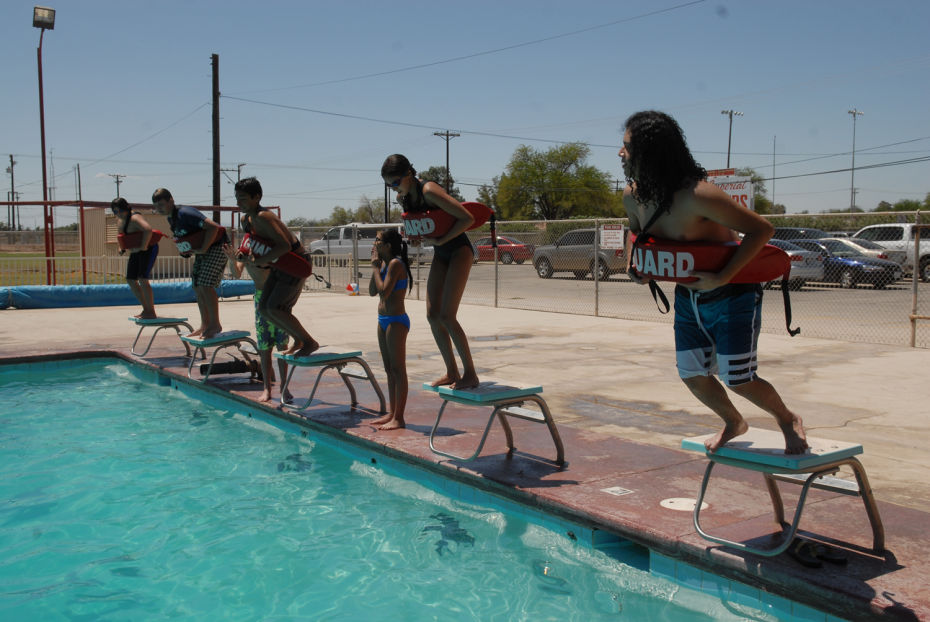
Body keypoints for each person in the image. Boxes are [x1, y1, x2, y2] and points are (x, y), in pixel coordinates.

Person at [619, 110, 808, 455]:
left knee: (738, 378)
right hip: (687, 298)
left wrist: (722, 276)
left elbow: (762, 230)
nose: (621, 154)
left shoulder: (699, 195)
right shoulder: (632, 197)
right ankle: (734, 422)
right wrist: (636, 264)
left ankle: (786, 418)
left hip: (732, 294)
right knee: (691, 373)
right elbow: (634, 233)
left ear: (651, 152)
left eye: (627, 147)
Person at [381, 154, 479, 390]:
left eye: (395, 183)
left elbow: (467, 218)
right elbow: (427, 226)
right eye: (388, 185)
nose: (394, 189)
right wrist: (419, 239)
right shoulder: (406, 197)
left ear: (408, 175)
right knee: (432, 315)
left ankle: (471, 374)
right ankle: (452, 372)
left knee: (447, 315)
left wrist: (442, 238)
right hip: (441, 252)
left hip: (459, 251)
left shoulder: (429, 191)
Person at [233, 177, 319, 358]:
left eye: (243, 198)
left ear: (257, 197)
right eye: (236, 198)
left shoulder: (264, 216)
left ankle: (309, 342)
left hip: (295, 263)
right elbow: (257, 243)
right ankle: (299, 339)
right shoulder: (246, 219)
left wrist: (260, 260)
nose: (238, 202)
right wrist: (251, 257)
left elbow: (284, 246)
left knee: (274, 307)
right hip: (279, 265)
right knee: (264, 309)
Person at [224, 217, 294, 405]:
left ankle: (284, 387)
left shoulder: (271, 243)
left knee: (282, 344)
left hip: (277, 295)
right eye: (245, 223)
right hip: (261, 296)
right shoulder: (246, 245)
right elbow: (237, 273)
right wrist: (232, 260)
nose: (247, 226)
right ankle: (266, 387)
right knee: (264, 345)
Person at [152, 188, 227, 338]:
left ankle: (215, 324)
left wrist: (203, 248)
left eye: (161, 204)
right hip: (202, 250)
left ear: (171, 201)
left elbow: (214, 227)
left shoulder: (185, 213)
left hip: (218, 246)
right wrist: (185, 250)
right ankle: (205, 324)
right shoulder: (171, 219)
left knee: (206, 285)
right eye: (156, 206)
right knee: (197, 286)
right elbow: (186, 237)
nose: (158, 209)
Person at [368, 228, 412, 430]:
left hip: (396, 320)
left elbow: (385, 292)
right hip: (382, 319)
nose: (374, 243)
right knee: (388, 369)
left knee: (398, 369)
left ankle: (399, 418)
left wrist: (377, 268)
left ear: (387, 245)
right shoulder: (385, 264)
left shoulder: (395, 264)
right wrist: (375, 267)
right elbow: (371, 292)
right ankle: (392, 413)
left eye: (377, 240)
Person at [111, 197, 159, 319]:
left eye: (120, 211)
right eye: (115, 212)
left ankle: (151, 311)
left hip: (148, 249)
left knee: (143, 279)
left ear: (126, 208)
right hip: (135, 251)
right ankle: (146, 309)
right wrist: (121, 248)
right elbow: (121, 236)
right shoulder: (120, 220)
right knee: (131, 280)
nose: (118, 214)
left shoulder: (135, 218)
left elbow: (148, 230)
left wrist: (143, 246)